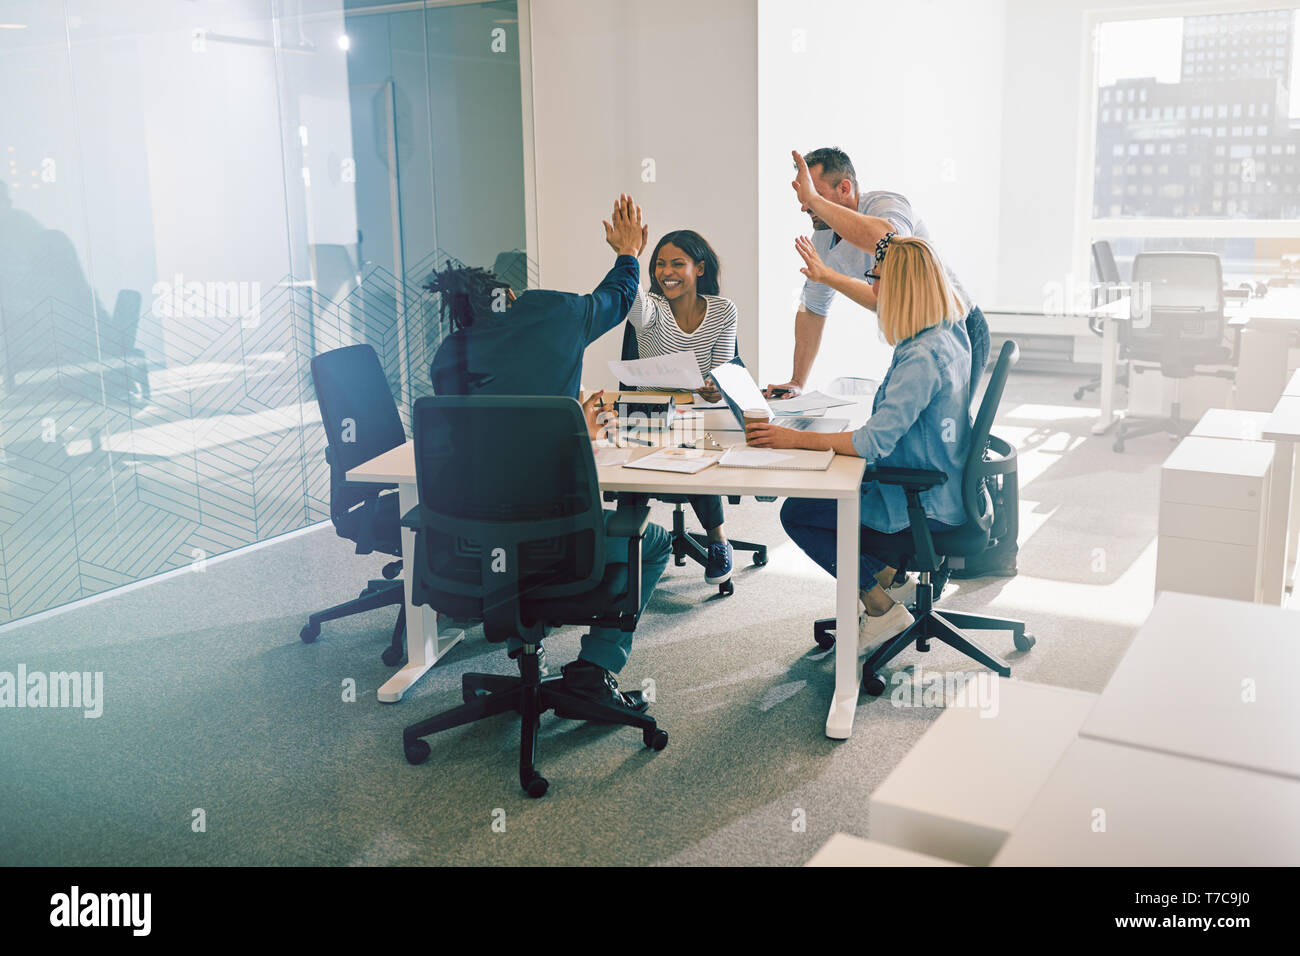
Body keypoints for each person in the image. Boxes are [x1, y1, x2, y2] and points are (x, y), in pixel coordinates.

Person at [428, 194, 671, 715]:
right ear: (510, 295)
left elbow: (475, 447)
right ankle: (594, 669)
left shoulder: (450, 355)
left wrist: (568, 428)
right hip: (559, 547)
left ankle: (523, 647)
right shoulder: (554, 316)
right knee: (652, 540)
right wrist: (629, 251)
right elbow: (617, 295)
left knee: (513, 528)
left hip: (467, 549)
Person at [747, 236, 971, 655]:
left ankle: (881, 605)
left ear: (902, 287)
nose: (873, 287)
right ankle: (889, 577)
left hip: (921, 502)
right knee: (830, 490)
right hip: (942, 486)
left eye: (878, 278)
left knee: (799, 513)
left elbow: (873, 442)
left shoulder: (921, 357)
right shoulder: (949, 332)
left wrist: (796, 439)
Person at [765, 147, 989, 406]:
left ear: (845, 188)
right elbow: (813, 309)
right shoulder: (823, 237)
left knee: (952, 430)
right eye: (803, 196)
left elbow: (886, 242)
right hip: (914, 338)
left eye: (814, 194)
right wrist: (797, 381)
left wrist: (816, 203)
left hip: (959, 326)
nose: (804, 206)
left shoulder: (887, 206)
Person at [625, 229, 739, 585]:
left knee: (694, 446)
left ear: (699, 268)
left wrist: (713, 388)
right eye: (659, 264)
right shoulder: (651, 310)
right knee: (633, 468)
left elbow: (719, 378)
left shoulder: (723, 312)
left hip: (696, 413)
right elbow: (633, 300)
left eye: (677, 263)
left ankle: (719, 541)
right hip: (648, 412)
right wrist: (628, 253)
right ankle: (623, 548)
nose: (666, 272)